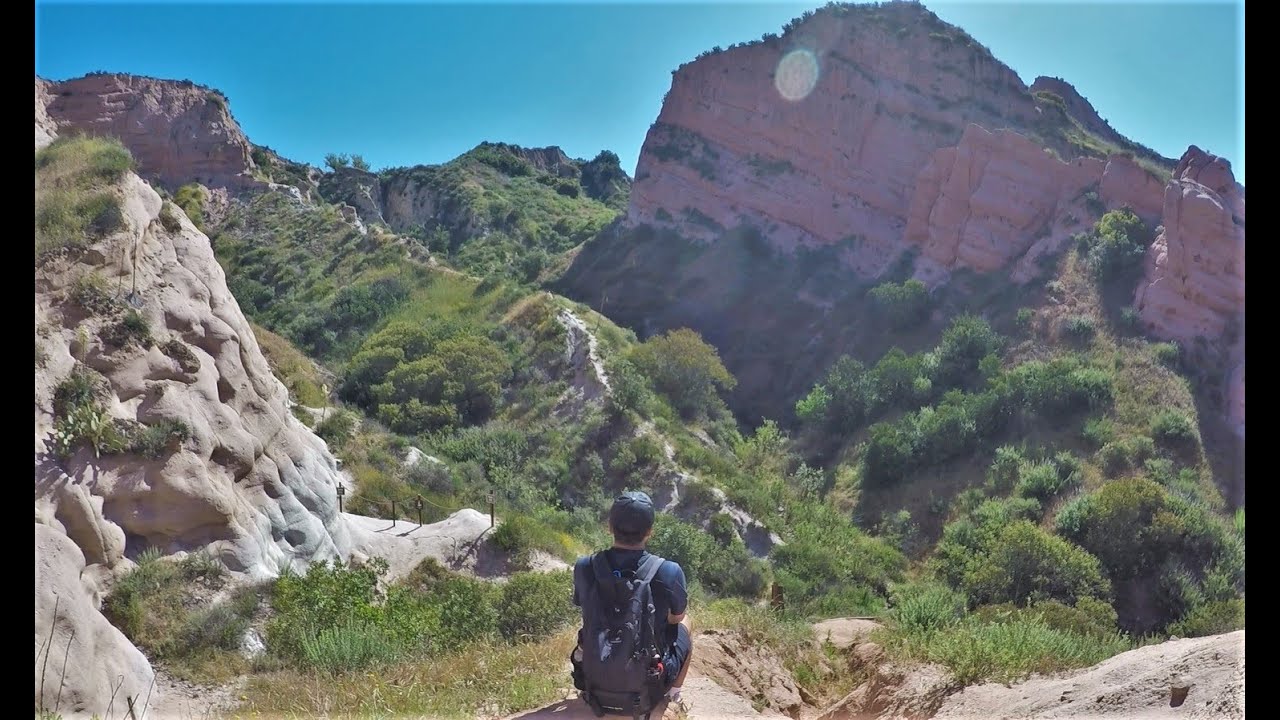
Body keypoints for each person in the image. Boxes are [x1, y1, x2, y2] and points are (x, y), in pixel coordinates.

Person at [571, 491, 693, 717]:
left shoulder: (585, 566)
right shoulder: (669, 570)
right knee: (687, 621)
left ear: (610, 527)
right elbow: (676, 617)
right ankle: (672, 694)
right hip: (646, 683)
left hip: (592, 675)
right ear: (649, 532)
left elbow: (584, 608)